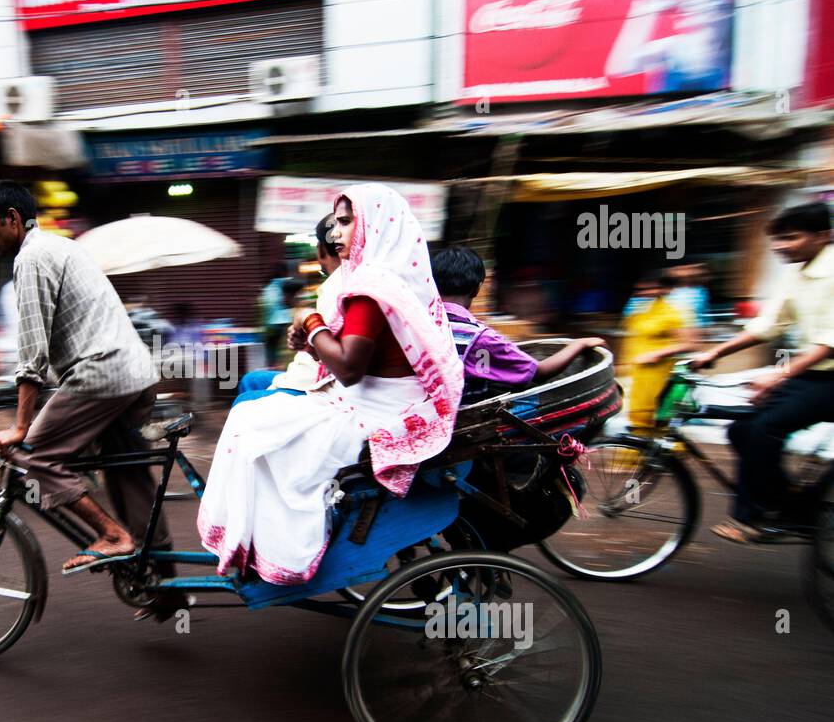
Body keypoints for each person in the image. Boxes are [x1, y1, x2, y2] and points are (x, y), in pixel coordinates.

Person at [197, 184, 463, 585]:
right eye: (335, 223)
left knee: (250, 426)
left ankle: (284, 554)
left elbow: (351, 368)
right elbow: (353, 358)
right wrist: (314, 338)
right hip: (379, 400)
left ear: (375, 225)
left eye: (345, 221)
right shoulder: (385, 279)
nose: (336, 233)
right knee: (251, 416)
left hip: (375, 410)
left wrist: (310, 322)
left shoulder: (369, 289)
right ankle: (259, 544)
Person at [0, 180, 180, 617]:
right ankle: (164, 583)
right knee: (127, 475)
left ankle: (110, 536)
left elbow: (31, 352)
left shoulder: (30, 258)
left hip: (102, 374)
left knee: (37, 453)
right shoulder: (60, 247)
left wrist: (21, 426)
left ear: (12, 218)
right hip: (134, 374)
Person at [689, 201, 834, 543]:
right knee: (742, 430)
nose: (779, 246)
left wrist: (778, 375)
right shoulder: (798, 274)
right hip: (813, 374)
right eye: (777, 239)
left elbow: (830, 343)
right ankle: (794, 510)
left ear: (823, 236)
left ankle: (758, 519)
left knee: (765, 429)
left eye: (791, 238)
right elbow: (768, 326)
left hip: (829, 376)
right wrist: (715, 352)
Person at [431, 245, 605, 404]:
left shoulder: (419, 326)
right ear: (477, 288)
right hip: (459, 421)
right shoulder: (482, 339)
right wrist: (578, 344)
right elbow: (539, 372)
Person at [233, 212, 344, 405]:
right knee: (249, 380)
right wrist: (309, 344)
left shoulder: (346, 287)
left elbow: (344, 363)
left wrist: (307, 318)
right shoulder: (333, 286)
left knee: (244, 401)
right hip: (314, 372)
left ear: (320, 250)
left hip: (322, 384)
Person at [621, 270, 696, 433]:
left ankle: (666, 457)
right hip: (639, 376)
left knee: (659, 423)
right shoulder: (639, 310)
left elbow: (689, 344)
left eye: (650, 289)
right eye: (641, 290)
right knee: (638, 420)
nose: (644, 293)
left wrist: (657, 354)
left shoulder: (674, 312)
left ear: (664, 289)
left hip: (659, 375)